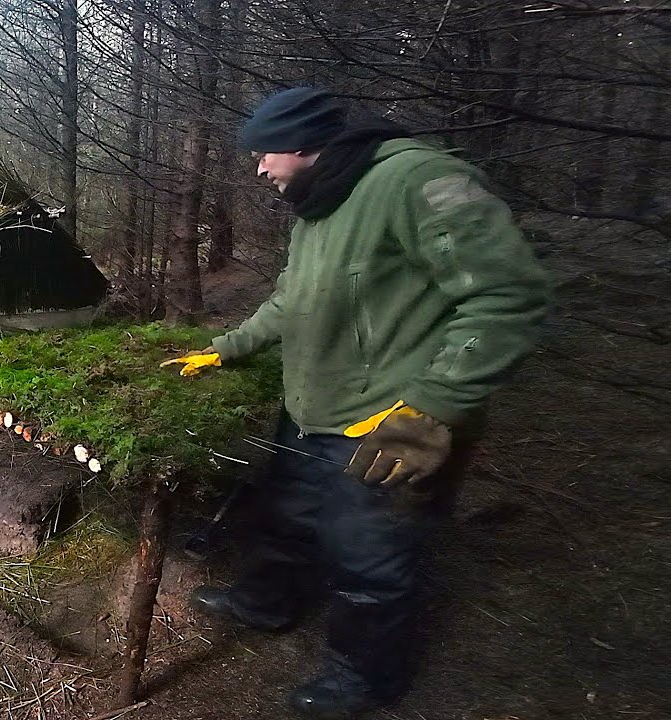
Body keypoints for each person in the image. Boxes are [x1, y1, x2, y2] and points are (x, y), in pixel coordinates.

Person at [163, 87, 551, 718]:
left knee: (369, 555)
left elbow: (508, 297)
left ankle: (365, 677)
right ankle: (267, 602)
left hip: (387, 422)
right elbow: (294, 300)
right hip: (312, 405)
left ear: (300, 143)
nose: (258, 168)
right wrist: (227, 348)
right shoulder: (317, 203)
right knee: (284, 513)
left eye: (263, 153)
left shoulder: (420, 180)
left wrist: (433, 408)